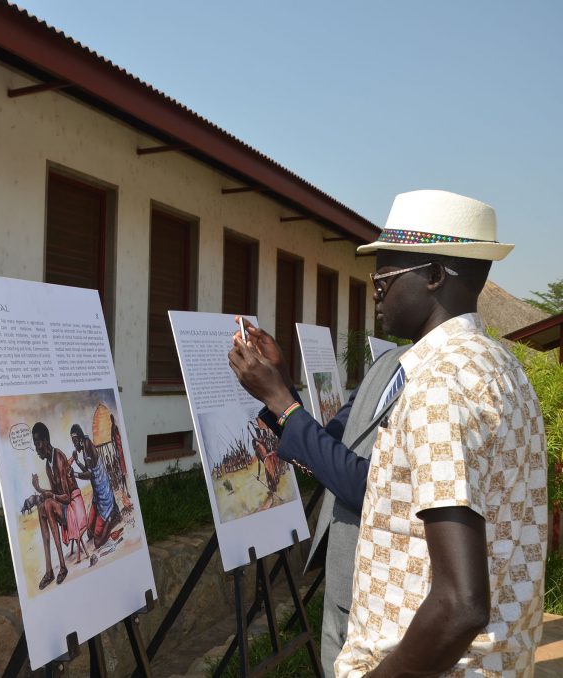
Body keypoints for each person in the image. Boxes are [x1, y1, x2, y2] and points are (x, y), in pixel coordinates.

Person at [232, 189, 546, 676]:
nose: (375, 289)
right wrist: (283, 393)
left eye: (386, 276)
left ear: (436, 276)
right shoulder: (501, 368)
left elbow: (461, 604)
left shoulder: (440, 386)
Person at [231, 316, 409, 674]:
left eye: (387, 272)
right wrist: (280, 382)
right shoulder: (387, 365)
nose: (376, 288)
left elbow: (368, 486)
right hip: (346, 584)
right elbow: (333, 448)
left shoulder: (441, 378)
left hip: (388, 601)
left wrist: (280, 399)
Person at [30, 422, 80, 589]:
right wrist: (39, 489)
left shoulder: (58, 457)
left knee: (49, 504)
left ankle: (63, 566)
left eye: (38, 444)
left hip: (73, 506)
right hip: (62, 506)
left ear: (45, 441)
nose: (36, 449)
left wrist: (50, 496)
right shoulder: (47, 464)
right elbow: (54, 491)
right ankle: (49, 570)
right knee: (41, 506)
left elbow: (65, 497)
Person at [71, 423, 121, 550]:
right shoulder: (84, 445)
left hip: (104, 495)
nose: (74, 444)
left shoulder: (87, 444)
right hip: (97, 496)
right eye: (72, 441)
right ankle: (111, 515)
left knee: (98, 541)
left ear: (79, 437)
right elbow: (88, 469)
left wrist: (74, 474)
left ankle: (111, 517)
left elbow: (89, 475)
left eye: (75, 440)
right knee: (89, 533)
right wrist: (76, 462)